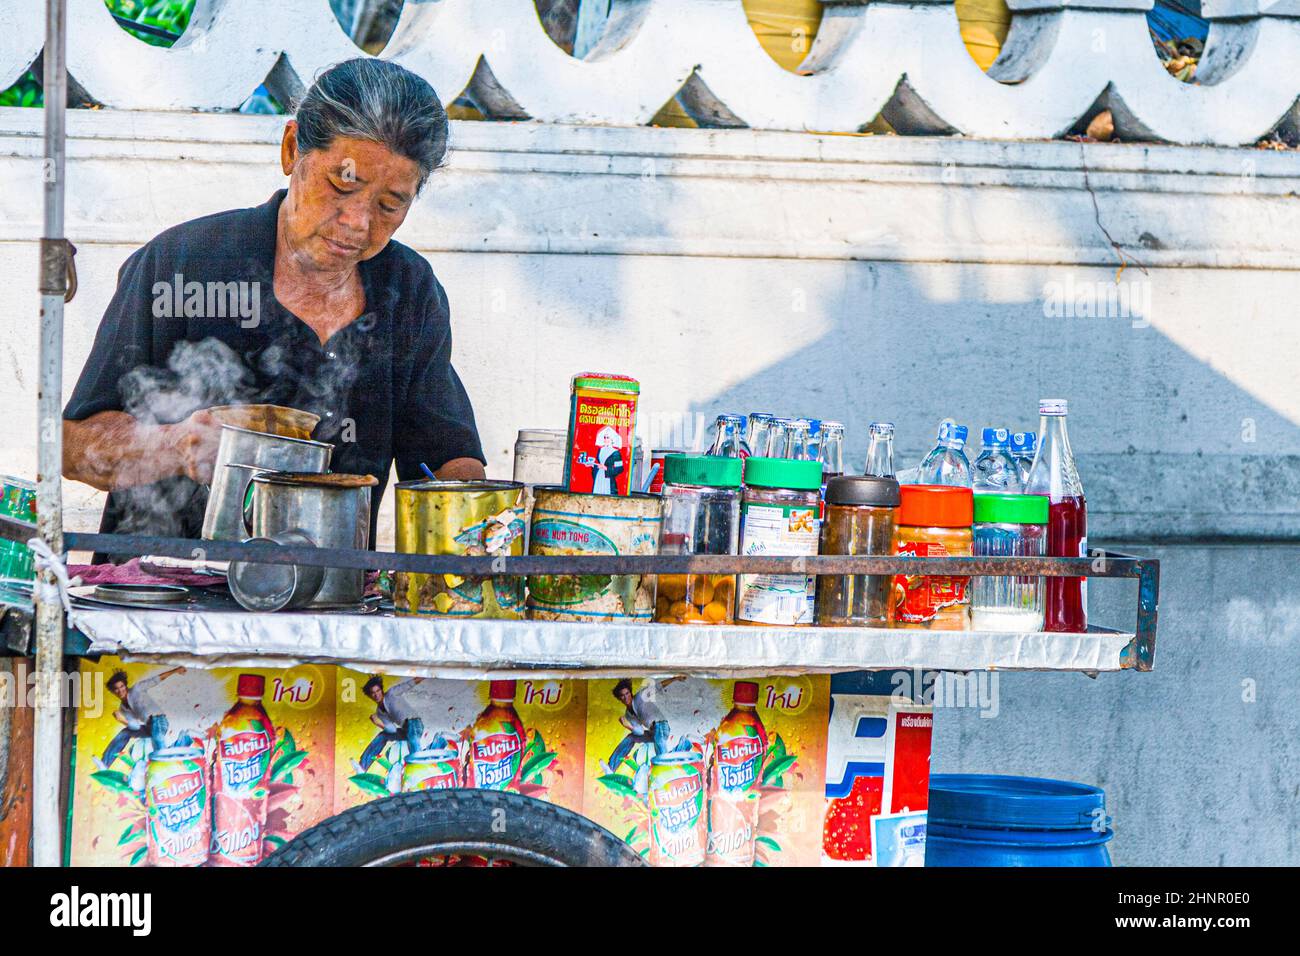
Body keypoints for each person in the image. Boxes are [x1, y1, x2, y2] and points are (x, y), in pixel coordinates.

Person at [61, 58, 486, 557]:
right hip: (159, 596)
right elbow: (72, 448)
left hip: (331, 597)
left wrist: (478, 522)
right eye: (341, 186)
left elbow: (447, 463)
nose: (356, 222)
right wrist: (176, 445)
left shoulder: (408, 290)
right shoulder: (182, 264)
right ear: (292, 150)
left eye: (390, 205)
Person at [95, 666, 188, 771]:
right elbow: (134, 727)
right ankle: (105, 764)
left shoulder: (137, 689)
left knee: (157, 735)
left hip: (159, 721)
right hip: (148, 727)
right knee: (125, 732)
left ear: (125, 686)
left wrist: (175, 671)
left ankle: (165, 765)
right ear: (113, 692)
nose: (120, 690)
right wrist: (122, 720)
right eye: (116, 689)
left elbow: (156, 679)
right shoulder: (122, 708)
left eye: (122, 686)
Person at [602, 676, 687, 775]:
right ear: (619, 698)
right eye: (622, 695)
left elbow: (658, 687)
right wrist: (628, 726)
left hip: (661, 726)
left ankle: (665, 771)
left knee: (658, 737)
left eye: (627, 693)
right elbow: (640, 732)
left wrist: (675, 678)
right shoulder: (628, 715)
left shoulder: (640, 696)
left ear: (631, 693)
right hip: (652, 732)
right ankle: (611, 768)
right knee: (631, 738)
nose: (626, 697)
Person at [355, 675, 426, 773]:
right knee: (383, 736)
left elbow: (409, 684)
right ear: (370, 696)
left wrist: (428, 674)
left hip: (414, 724)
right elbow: (392, 730)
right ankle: (362, 767)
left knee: (411, 733)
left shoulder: (392, 693)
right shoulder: (379, 712)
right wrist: (378, 723)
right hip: (405, 730)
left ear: (381, 690)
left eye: (378, 691)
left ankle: (419, 767)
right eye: (373, 693)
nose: (376, 695)